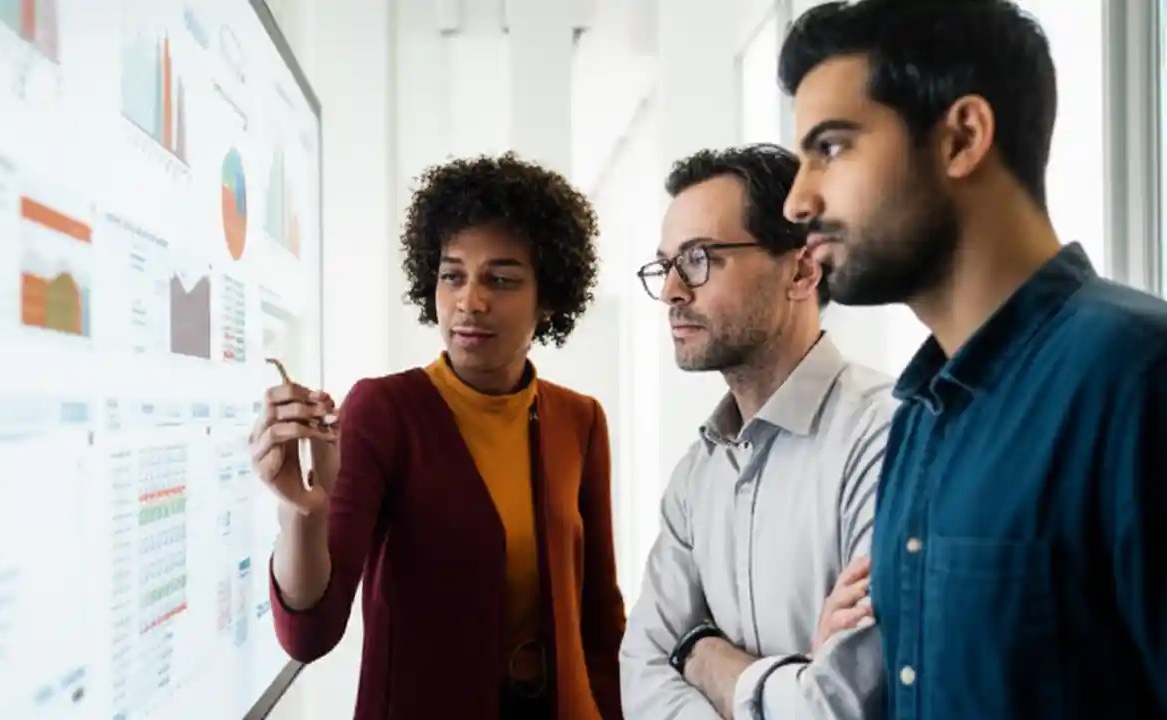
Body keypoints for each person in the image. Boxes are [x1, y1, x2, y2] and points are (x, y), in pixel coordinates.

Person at [779, 1, 1167, 718]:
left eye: (831, 148)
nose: (798, 201)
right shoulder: (919, 415)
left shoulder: (1137, 377)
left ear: (961, 137)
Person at [250, 153, 626, 719]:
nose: (468, 301)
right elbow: (311, 634)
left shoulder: (580, 420)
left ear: (548, 300)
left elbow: (600, 621)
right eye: (452, 275)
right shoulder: (385, 410)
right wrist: (302, 516)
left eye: (500, 279)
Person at [619, 144, 897, 720]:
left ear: (800, 269)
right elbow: (641, 672)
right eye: (665, 265)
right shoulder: (697, 475)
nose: (672, 291)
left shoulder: (885, 439)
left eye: (698, 259)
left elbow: (841, 708)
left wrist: (699, 654)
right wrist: (792, 684)